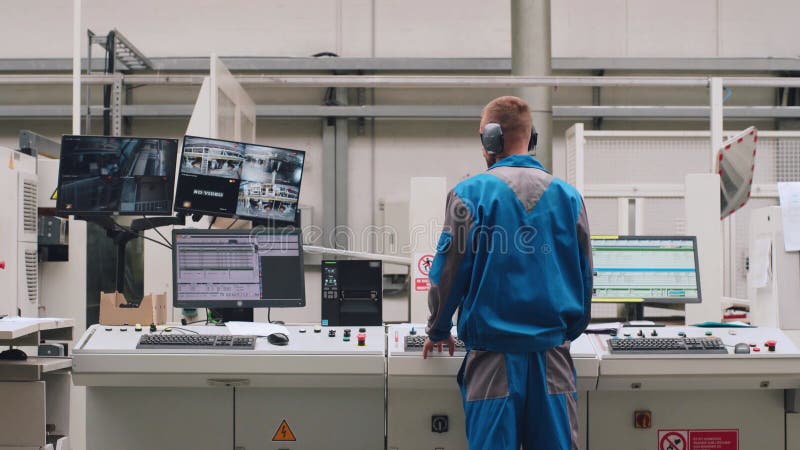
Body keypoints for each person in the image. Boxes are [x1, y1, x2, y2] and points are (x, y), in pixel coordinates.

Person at [422, 96, 593, 449]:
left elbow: (447, 273)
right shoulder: (569, 197)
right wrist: (560, 334)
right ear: (532, 139)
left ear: (490, 139)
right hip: (553, 360)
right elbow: (584, 275)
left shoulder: (471, 194)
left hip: (493, 362)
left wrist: (438, 328)